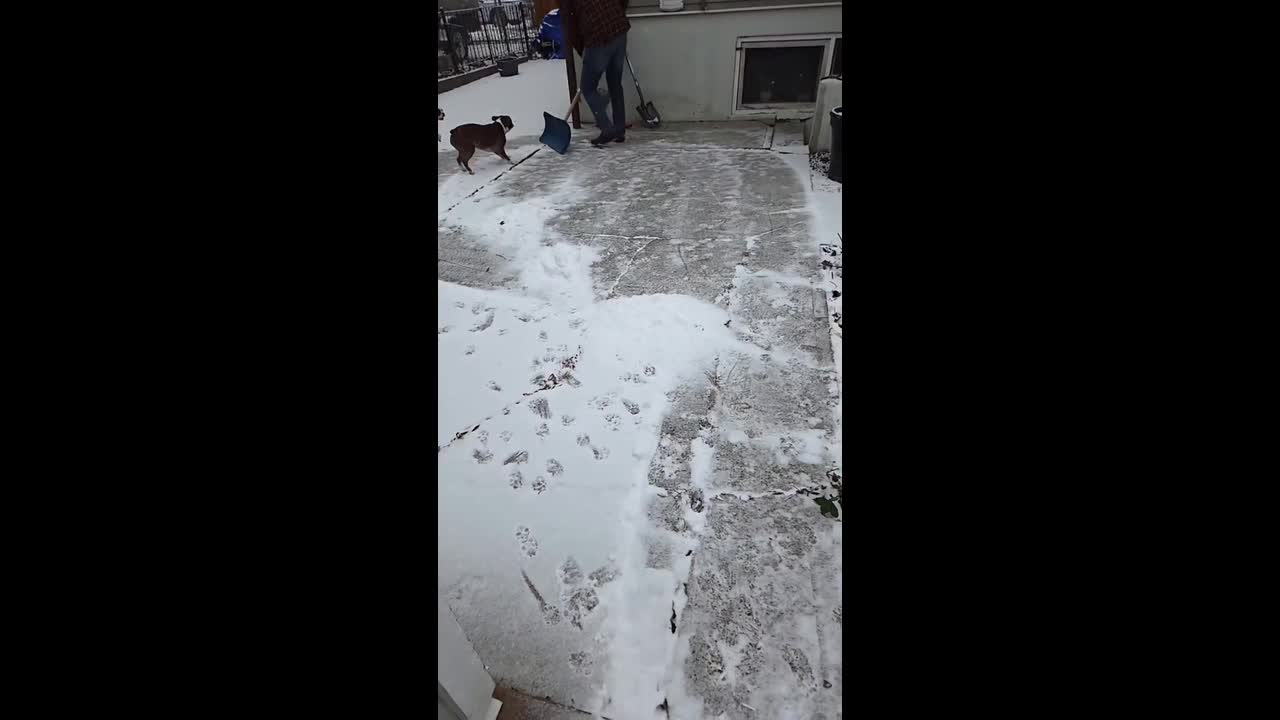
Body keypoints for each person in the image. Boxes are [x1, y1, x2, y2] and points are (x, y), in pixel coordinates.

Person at [560, 0, 630, 146]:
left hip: (598, 35)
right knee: (615, 83)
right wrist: (617, 13)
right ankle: (619, 128)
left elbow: (570, 25)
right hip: (619, 27)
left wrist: (582, 50)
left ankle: (607, 129)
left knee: (588, 88)